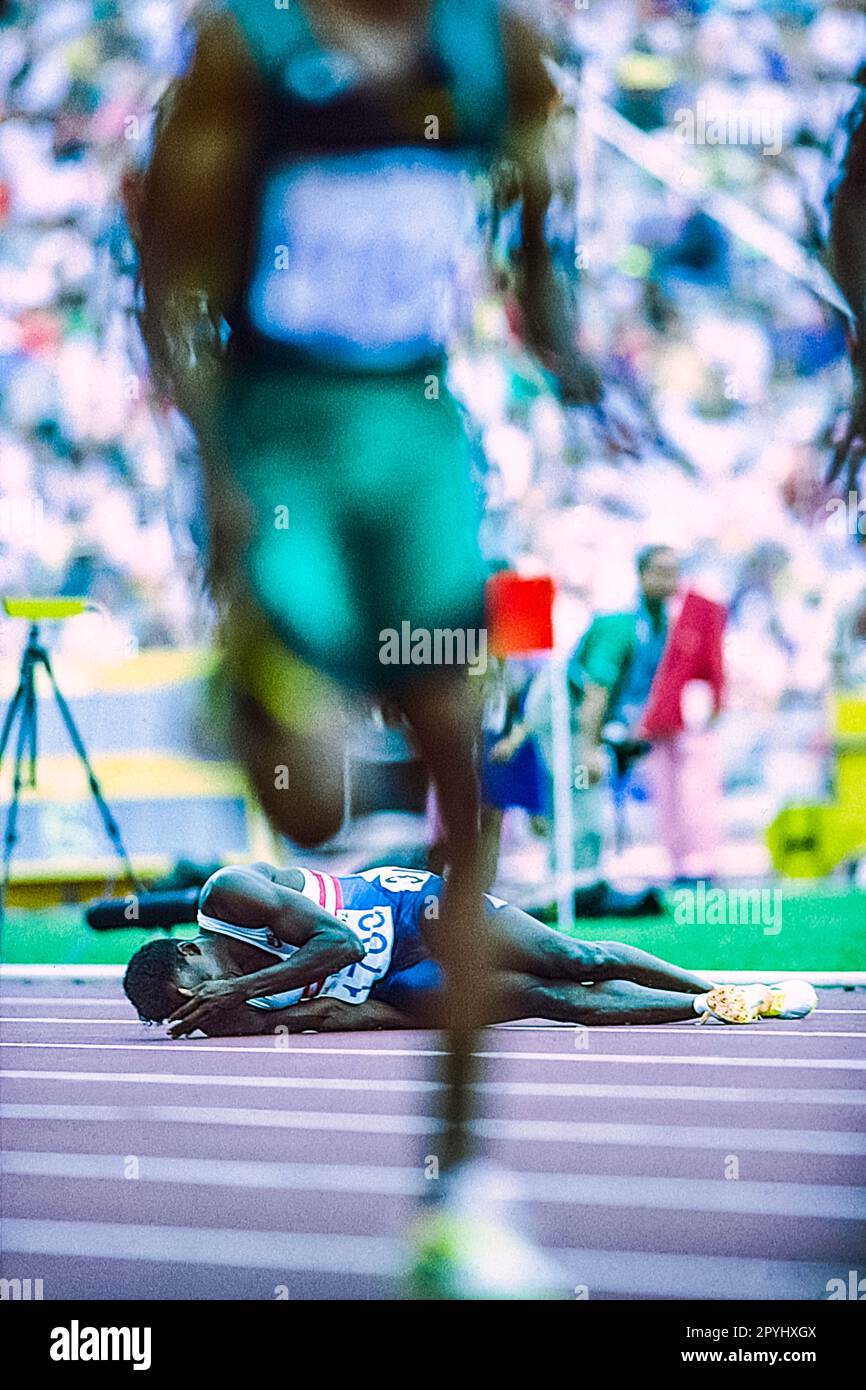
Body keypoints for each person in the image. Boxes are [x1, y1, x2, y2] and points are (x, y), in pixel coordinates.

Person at [134, 0, 609, 1294]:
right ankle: (265, 683)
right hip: (279, 423)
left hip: (415, 430)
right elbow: (161, 264)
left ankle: (458, 1192)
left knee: (469, 774)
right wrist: (219, 476)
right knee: (308, 793)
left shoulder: (491, 49)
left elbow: (528, 197)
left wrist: (549, 317)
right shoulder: (252, 52)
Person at [123, 861, 818, 1037]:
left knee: (573, 961)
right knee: (552, 1001)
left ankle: (709, 977)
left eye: (200, 983)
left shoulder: (228, 896)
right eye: (189, 1011)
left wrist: (236, 989)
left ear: (191, 949)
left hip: (416, 910)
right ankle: (715, 1005)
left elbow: (333, 944)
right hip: (401, 984)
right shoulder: (229, 1007)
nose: (206, 1000)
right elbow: (335, 1016)